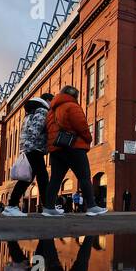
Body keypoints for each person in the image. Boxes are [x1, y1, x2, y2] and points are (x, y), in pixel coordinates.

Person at [42, 86, 107, 216]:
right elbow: (81, 125)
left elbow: (46, 130)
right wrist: (88, 138)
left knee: (55, 179)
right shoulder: (72, 106)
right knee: (84, 177)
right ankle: (92, 206)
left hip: (56, 148)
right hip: (73, 146)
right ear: (74, 96)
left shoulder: (50, 111)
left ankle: (48, 208)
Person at [3, 94, 53, 217]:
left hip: (29, 148)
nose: (52, 104)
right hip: (34, 148)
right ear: (47, 100)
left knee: (28, 179)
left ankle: (12, 206)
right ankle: (47, 207)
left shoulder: (30, 112)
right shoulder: (42, 110)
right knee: (42, 178)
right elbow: (35, 129)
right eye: (52, 101)